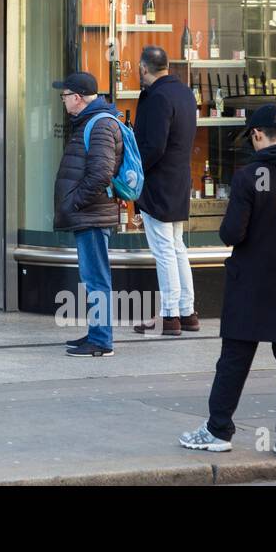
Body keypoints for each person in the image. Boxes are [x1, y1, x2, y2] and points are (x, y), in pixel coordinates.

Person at [179, 104, 276, 460]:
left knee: (234, 358)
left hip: (250, 283)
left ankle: (218, 430)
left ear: (258, 135)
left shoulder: (249, 176)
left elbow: (231, 233)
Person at [52, 71, 124, 358]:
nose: (63, 100)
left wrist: (74, 203)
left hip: (92, 214)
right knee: (92, 276)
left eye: (65, 95)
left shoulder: (99, 125)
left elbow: (101, 174)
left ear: (77, 98)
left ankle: (102, 341)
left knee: (96, 278)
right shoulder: (92, 121)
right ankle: (97, 332)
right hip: (90, 213)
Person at [131, 45, 198, 336]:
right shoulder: (185, 93)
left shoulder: (157, 97)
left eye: (139, 69)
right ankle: (188, 312)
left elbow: (154, 145)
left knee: (164, 250)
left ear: (144, 68)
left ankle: (170, 315)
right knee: (177, 247)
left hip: (159, 183)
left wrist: (133, 171)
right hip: (179, 180)